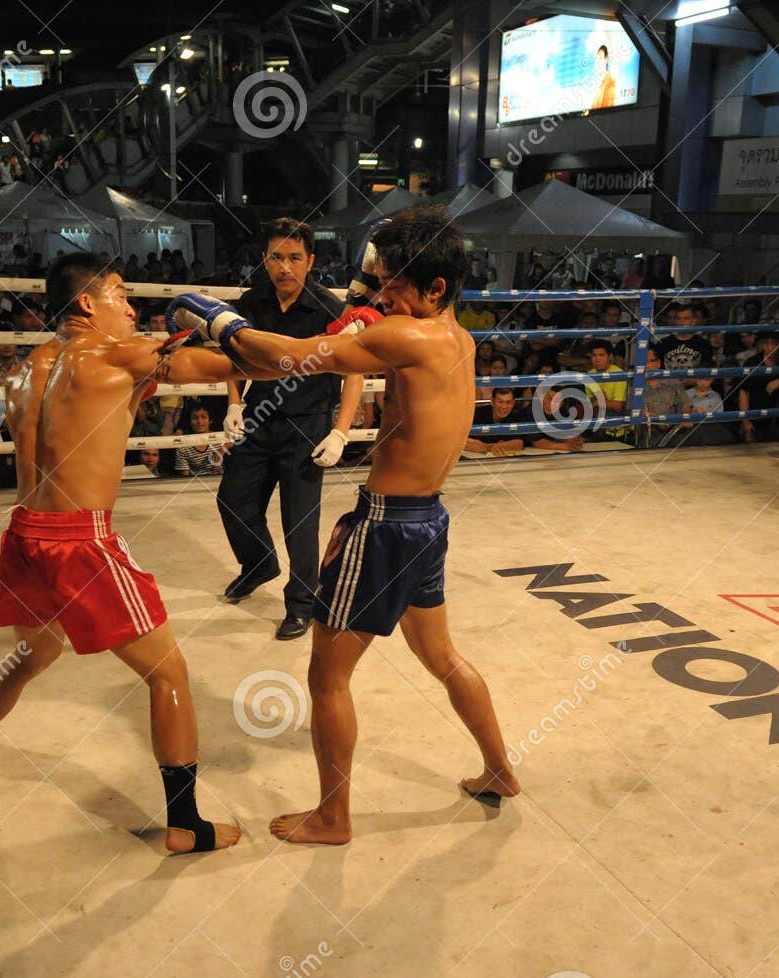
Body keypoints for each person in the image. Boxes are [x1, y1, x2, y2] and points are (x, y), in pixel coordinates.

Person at [169, 205, 520, 845]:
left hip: (384, 526)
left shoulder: (405, 338)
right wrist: (366, 296)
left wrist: (223, 322)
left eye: (394, 283)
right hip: (428, 519)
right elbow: (362, 325)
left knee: (326, 676)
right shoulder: (455, 337)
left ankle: (333, 818)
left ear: (435, 288)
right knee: (441, 656)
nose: (382, 294)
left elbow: (296, 358)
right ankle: (500, 770)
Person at [0, 254, 241, 857]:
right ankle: (186, 825)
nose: (131, 307)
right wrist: (225, 323)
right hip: (81, 541)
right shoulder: (121, 356)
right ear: (88, 304)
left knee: (32, 653)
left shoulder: (22, 369)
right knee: (168, 673)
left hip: (24, 535)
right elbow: (246, 361)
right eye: (120, 295)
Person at [214, 219, 365, 641]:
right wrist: (234, 401)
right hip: (258, 420)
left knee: (300, 521)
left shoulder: (331, 309)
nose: (285, 267)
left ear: (310, 261)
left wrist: (341, 431)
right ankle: (259, 563)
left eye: (294, 258)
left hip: (307, 425)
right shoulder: (250, 301)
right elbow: (233, 354)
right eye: (277, 257)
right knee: (232, 501)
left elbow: (355, 370)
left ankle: (301, 603)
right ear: (264, 260)